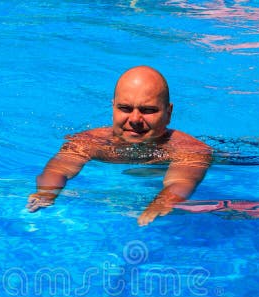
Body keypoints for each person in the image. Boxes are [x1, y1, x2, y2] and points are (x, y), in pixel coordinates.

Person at [26, 66, 213, 226]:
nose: (135, 119)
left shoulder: (189, 149)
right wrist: (46, 193)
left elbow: (181, 182)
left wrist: (161, 203)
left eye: (148, 110)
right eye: (125, 108)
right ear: (113, 107)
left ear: (168, 112)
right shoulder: (91, 142)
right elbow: (59, 169)